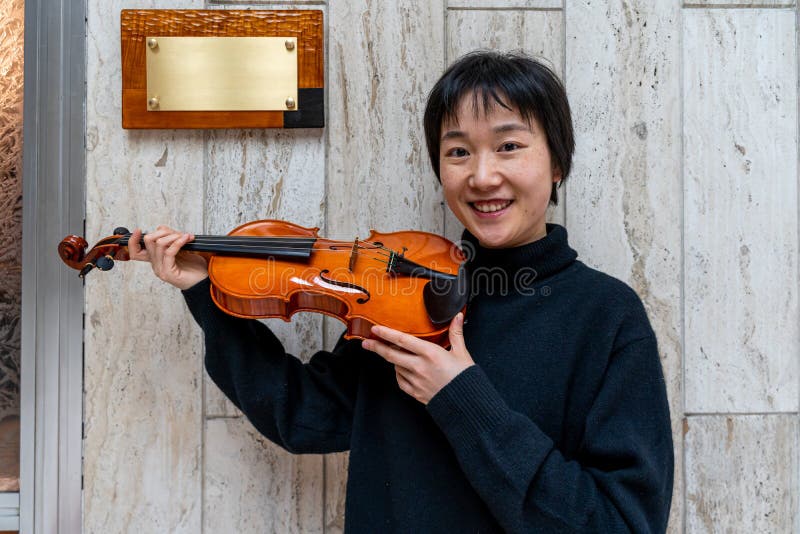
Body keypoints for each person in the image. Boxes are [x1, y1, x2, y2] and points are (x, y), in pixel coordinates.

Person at [129, 51, 673, 532]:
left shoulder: (607, 316)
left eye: (508, 146)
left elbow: (620, 522)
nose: (482, 176)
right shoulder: (399, 291)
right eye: (458, 152)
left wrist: (461, 396)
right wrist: (207, 291)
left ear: (557, 163)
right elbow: (302, 417)